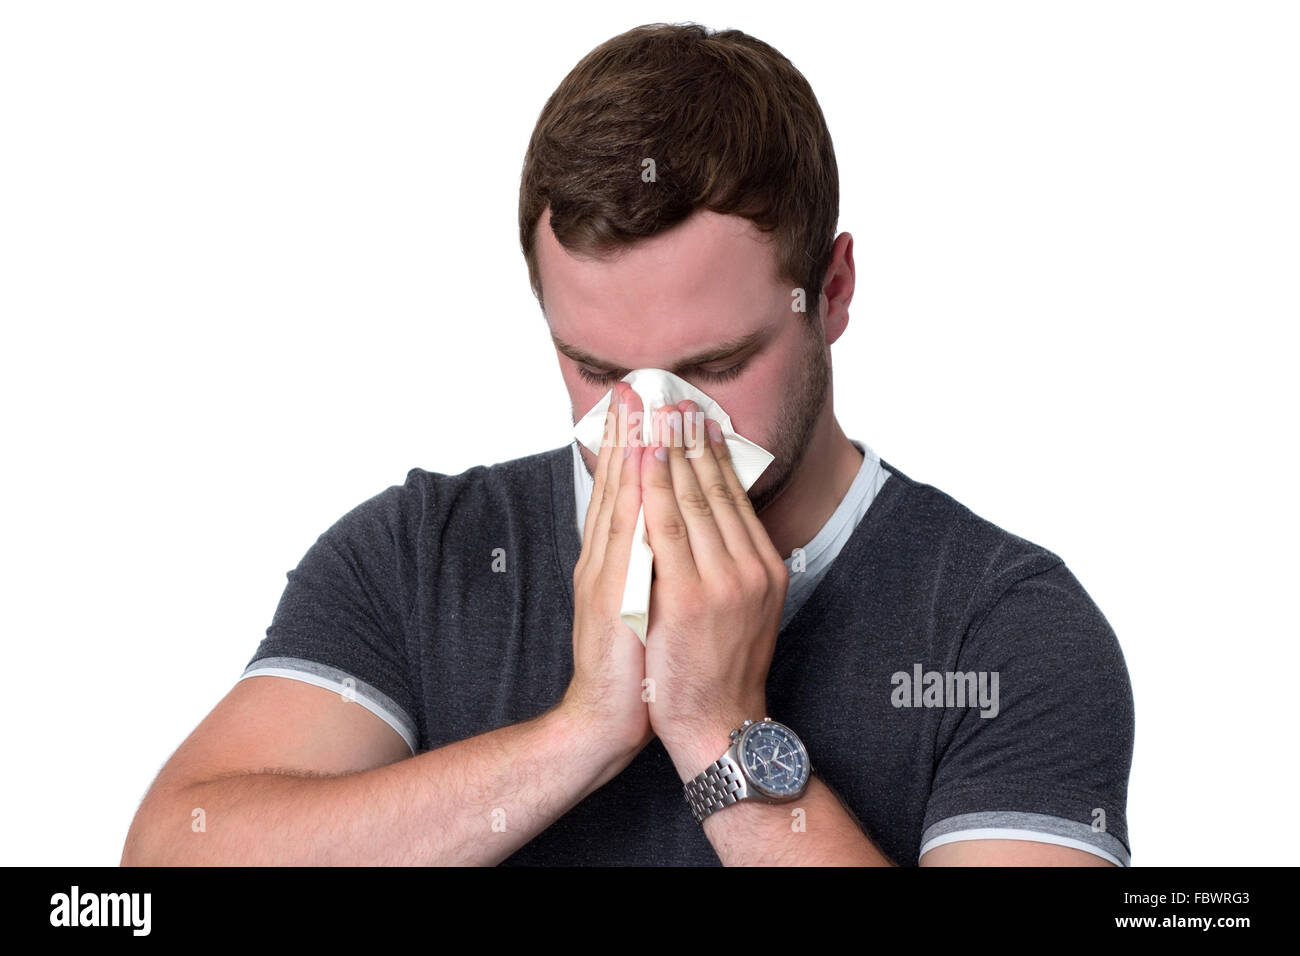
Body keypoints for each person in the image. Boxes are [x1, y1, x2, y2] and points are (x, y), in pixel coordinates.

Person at [121, 22, 1133, 867]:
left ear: (830, 293)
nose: (655, 421)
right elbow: (173, 854)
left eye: (715, 364)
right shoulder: (419, 554)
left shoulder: (1002, 627)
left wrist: (719, 735)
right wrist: (582, 730)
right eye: (599, 370)